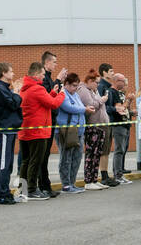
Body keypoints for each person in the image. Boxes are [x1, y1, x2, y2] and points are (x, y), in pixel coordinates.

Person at [18, 61, 66, 201]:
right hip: (38, 131)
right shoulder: (36, 89)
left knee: (26, 161)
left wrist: (52, 93)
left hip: (26, 130)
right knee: (35, 161)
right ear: (36, 74)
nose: (44, 77)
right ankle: (32, 189)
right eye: (43, 74)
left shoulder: (26, 88)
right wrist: (61, 94)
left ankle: (24, 189)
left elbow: (41, 102)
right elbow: (53, 104)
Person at [0, 63, 22, 204]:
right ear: (4, 73)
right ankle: (1, 194)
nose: (13, 74)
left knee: (8, 163)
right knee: (4, 162)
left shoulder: (5, 89)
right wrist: (16, 92)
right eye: (11, 71)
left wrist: (14, 92)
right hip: (5, 129)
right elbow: (13, 104)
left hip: (11, 129)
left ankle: (5, 191)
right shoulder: (0, 90)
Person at [55, 72, 89, 192]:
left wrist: (83, 110)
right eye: (74, 85)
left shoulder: (76, 95)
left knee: (77, 157)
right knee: (66, 158)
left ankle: (72, 183)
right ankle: (66, 184)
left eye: (77, 86)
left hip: (78, 131)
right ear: (67, 84)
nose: (75, 88)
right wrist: (85, 109)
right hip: (66, 131)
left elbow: (79, 108)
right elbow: (70, 108)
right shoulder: (63, 94)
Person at [79, 73, 112, 190]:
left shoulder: (94, 91)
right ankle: (88, 180)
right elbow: (91, 106)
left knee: (97, 153)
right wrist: (101, 100)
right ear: (89, 81)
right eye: (96, 82)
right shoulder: (84, 90)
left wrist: (100, 100)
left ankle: (94, 179)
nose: (98, 85)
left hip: (100, 125)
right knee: (91, 154)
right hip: (92, 126)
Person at [39, 51, 61, 197]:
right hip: (44, 122)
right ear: (46, 63)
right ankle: (43, 186)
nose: (55, 64)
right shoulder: (45, 80)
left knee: (45, 155)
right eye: (53, 62)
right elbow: (49, 98)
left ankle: (45, 185)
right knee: (42, 155)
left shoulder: (48, 78)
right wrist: (58, 80)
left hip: (50, 120)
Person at [106, 72, 133, 184]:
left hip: (124, 124)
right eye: (122, 80)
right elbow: (119, 109)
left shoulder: (119, 93)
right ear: (116, 81)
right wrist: (128, 101)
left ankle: (119, 173)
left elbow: (123, 109)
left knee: (122, 150)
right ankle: (118, 175)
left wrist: (131, 112)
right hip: (118, 125)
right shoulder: (112, 92)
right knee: (119, 150)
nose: (124, 82)